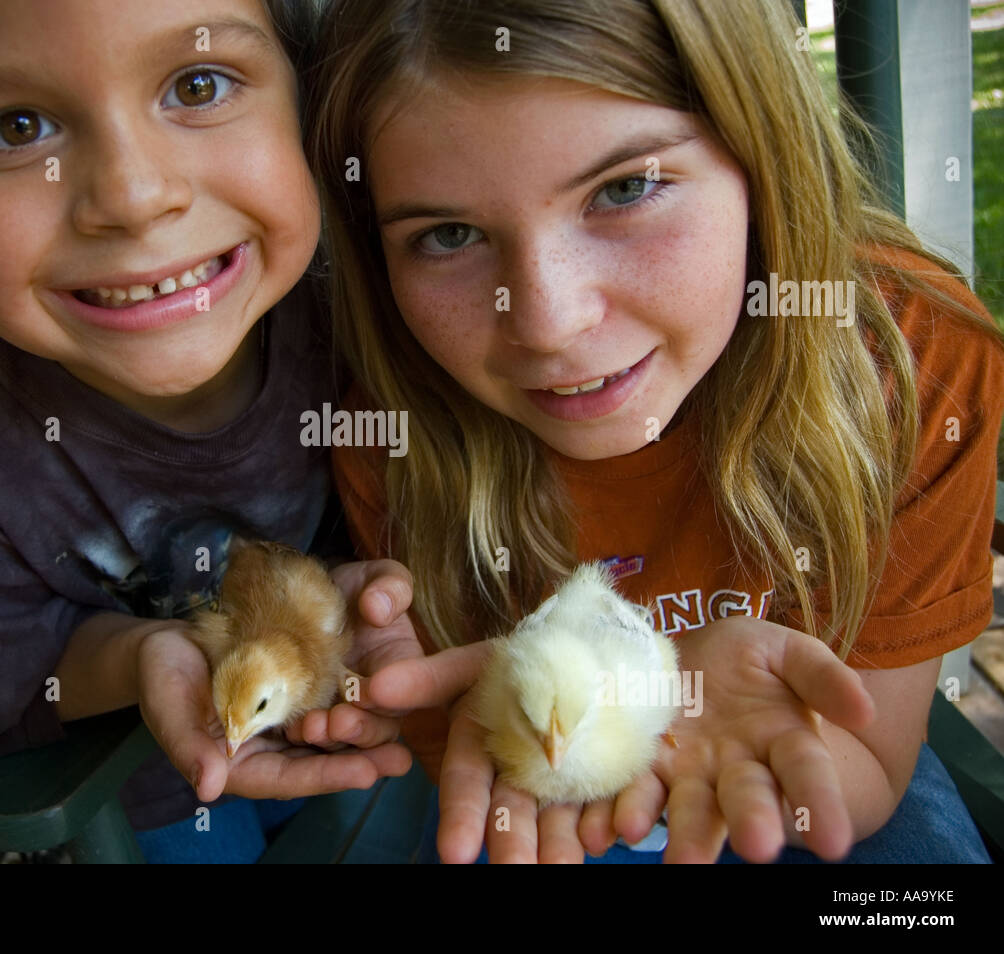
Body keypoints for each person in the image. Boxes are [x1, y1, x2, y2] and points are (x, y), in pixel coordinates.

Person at [309, 0, 1003, 863]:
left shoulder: (912, 365)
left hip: (820, 773)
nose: (549, 323)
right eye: (448, 235)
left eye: (625, 188)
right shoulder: (397, 427)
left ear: (763, 151)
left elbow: (867, 764)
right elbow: (482, 748)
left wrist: (675, 707)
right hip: (549, 805)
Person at [0, 0, 417, 862]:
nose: (135, 198)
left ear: (312, 100)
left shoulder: (386, 284)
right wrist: (150, 656)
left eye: (200, 83)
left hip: (389, 723)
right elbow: (10, 671)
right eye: (16, 127)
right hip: (140, 790)